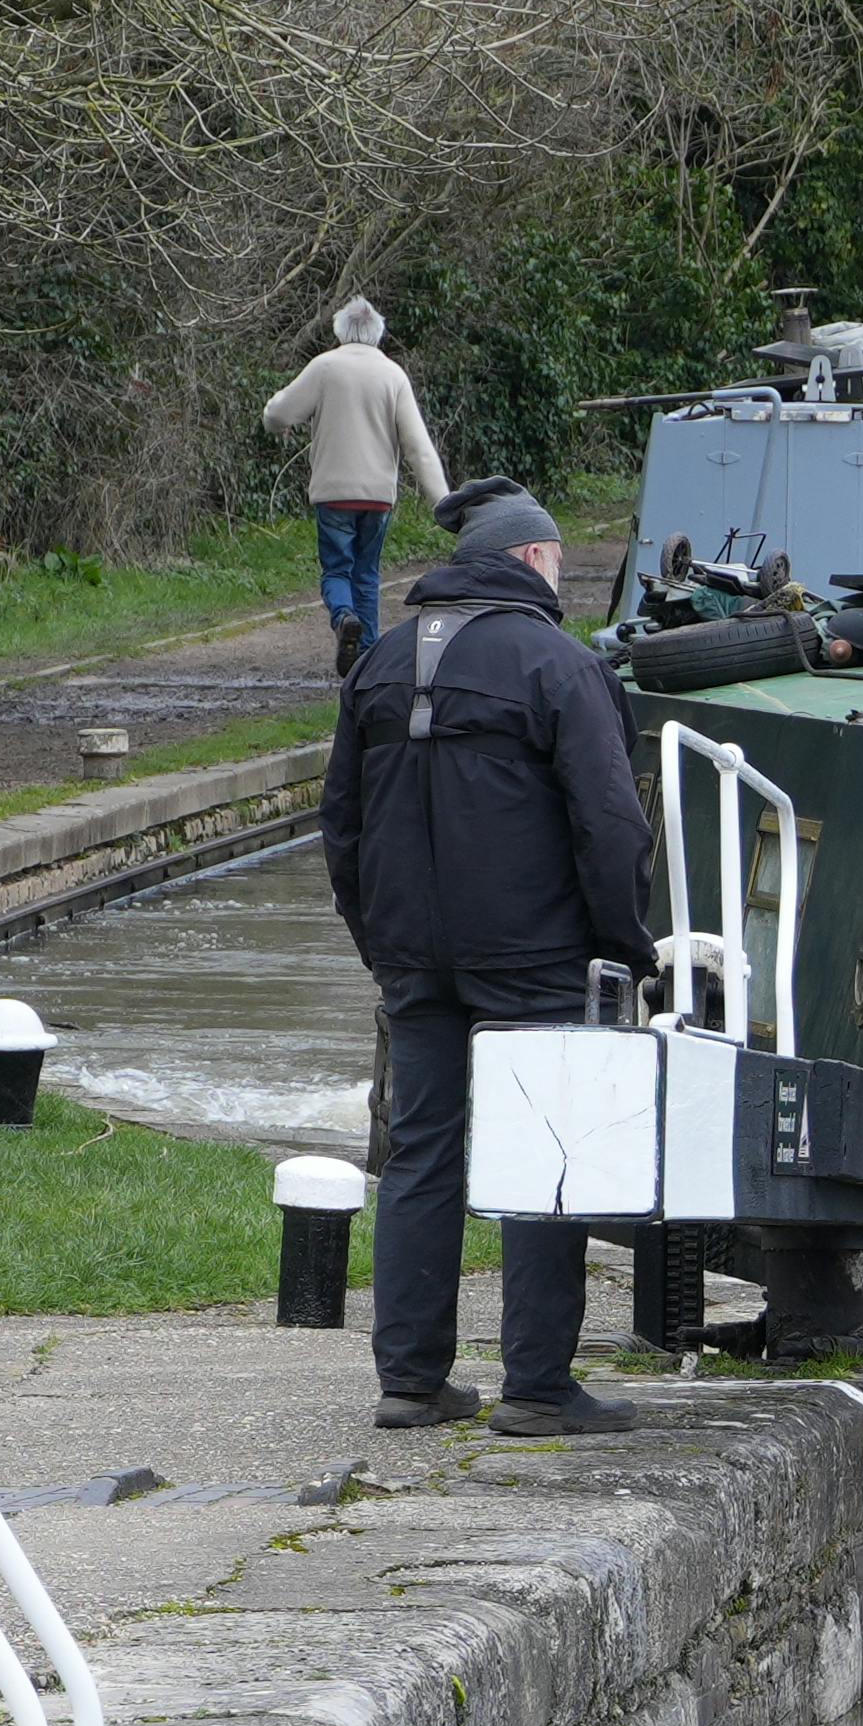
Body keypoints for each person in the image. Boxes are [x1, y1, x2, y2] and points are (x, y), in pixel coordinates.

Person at [325, 486, 651, 1433]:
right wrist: (625, 946)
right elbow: (609, 822)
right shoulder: (558, 662)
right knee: (545, 1151)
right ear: (534, 561)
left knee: (423, 1151)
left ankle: (412, 1379)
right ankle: (539, 1386)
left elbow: (339, 822)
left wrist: (377, 943)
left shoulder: (383, 660)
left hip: (413, 957)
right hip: (535, 954)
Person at [263, 297, 451, 673]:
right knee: (367, 574)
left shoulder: (326, 367)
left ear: (340, 330)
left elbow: (279, 411)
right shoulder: (393, 375)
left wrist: (275, 423)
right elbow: (419, 449)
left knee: (336, 571)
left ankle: (343, 617)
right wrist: (445, 504)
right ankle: (367, 661)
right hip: (378, 498)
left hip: (334, 494)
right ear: (377, 332)